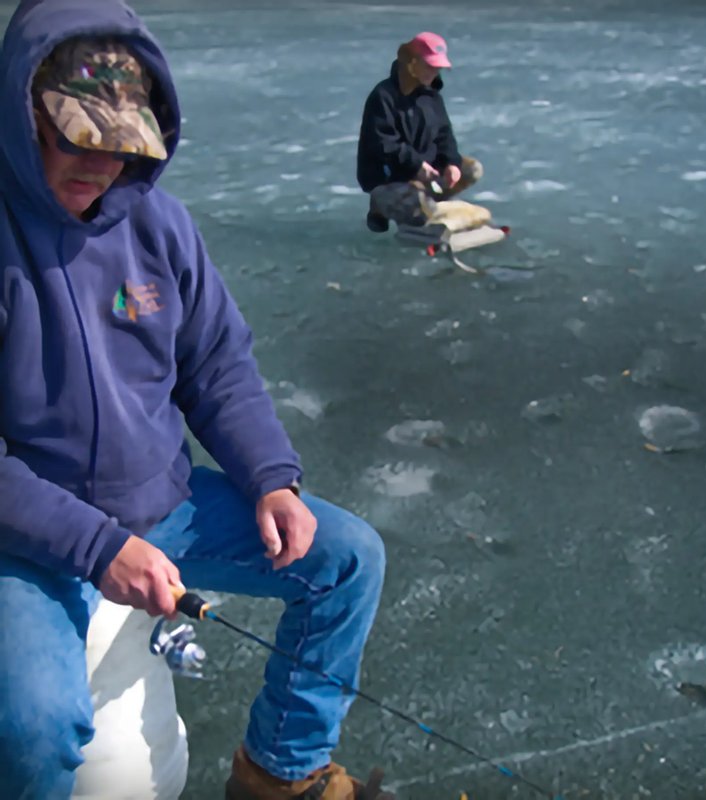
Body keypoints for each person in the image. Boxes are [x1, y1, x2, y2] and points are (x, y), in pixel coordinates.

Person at [0, 2, 392, 799]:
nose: (101, 163)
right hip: (31, 542)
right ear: (21, 112)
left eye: (122, 143)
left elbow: (215, 366)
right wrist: (96, 548)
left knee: (347, 562)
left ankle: (278, 773)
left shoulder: (158, 225)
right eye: (77, 136)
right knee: (30, 729)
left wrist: (269, 478)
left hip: (165, 505)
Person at [357, 31, 484, 233]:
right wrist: (416, 165)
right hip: (392, 177)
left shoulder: (432, 96)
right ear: (411, 63)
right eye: (429, 66)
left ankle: (433, 200)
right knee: (418, 206)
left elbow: (444, 134)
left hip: (427, 174)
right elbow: (384, 144)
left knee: (472, 169)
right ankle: (381, 206)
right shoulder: (383, 96)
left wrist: (451, 163)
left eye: (437, 68)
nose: (434, 73)